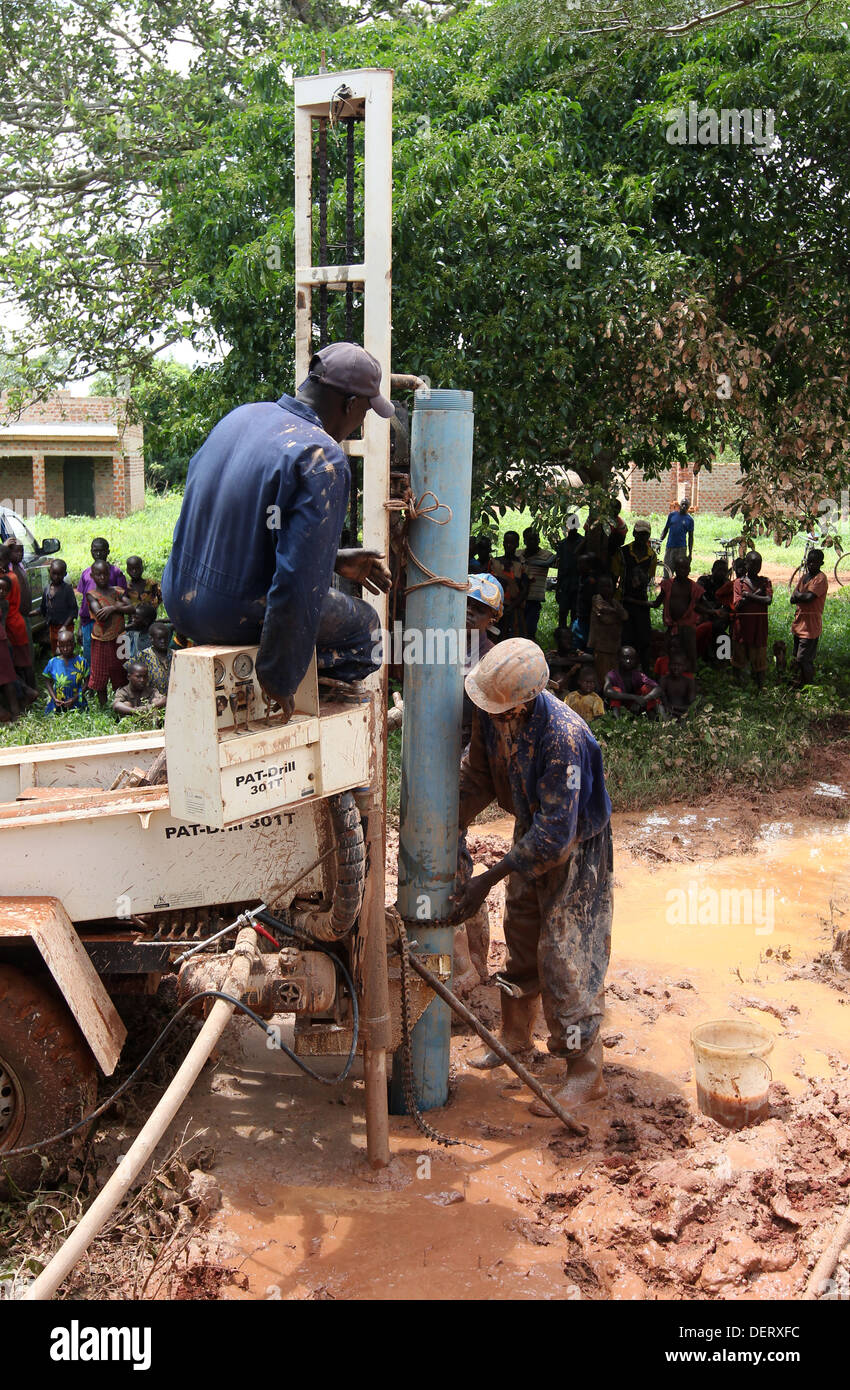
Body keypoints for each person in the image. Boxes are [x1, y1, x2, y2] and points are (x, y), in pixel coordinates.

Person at [162, 342, 393, 721]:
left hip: (179, 601)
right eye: (365, 412)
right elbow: (297, 582)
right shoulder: (322, 457)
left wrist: (330, 560)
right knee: (367, 633)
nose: (362, 424)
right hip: (229, 612)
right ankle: (287, 700)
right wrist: (279, 677)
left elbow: (237, 527)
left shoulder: (242, 417)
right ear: (350, 404)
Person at [450, 639, 613, 1109]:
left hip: (575, 844)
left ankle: (585, 1070)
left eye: (503, 714)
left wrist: (486, 879)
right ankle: (515, 1037)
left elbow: (555, 838)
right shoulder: (491, 710)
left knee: (566, 952)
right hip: (532, 829)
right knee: (520, 930)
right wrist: (446, 827)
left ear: (526, 703)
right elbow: (477, 777)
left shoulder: (564, 738)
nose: (493, 718)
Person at [87, 560, 134, 707]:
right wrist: (119, 607)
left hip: (121, 638)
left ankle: (120, 702)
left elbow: (132, 608)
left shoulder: (117, 591)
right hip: (101, 640)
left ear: (109, 574)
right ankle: (103, 705)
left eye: (105, 574)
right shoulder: (91, 595)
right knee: (100, 672)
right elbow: (100, 614)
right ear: (92, 576)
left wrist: (113, 608)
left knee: (121, 670)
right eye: (98, 574)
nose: (102, 577)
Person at [612, 520, 658, 668]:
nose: (641, 537)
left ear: (648, 536)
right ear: (634, 533)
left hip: (641, 602)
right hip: (624, 601)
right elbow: (614, 577)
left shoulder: (651, 556)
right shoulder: (623, 552)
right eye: (639, 534)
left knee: (644, 640)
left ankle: (644, 671)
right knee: (626, 638)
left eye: (645, 534)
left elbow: (649, 578)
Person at [76, 539, 127, 668]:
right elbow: (83, 602)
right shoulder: (86, 574)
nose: (98, 554)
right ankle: (91, 684)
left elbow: (123, 600)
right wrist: (80, 627)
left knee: (114, 659)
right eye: (95, 550)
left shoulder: (116, 573)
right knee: (90, 656)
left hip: (111, 623)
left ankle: (116, 686)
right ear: (91, 551)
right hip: (89, 623)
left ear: (108, 552)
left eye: (101, 550)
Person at [653, 557, 709, 672]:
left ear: (689, 569)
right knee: (667, 650)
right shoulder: (667, 585)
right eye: (679, 568)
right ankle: (664, 675)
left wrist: (713, 612)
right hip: (671, 625)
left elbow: (700, 605)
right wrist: (637, 602)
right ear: (675, 569)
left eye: (685, 568)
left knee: (690, 652)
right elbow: (656, 603)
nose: (682, 571)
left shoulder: (695, 588)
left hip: (688, 626)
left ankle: (690, 677)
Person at [731, 551, 773, 691]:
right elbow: (737, 605)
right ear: (746, 564)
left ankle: (760, 688)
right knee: (739, 658)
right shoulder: (739, 582)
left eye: (758, 564)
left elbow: (768, 600)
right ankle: (738, 688)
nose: (755, 567)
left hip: (759, 627)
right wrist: (756, 594)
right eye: (752, 563)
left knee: (759, 660)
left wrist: (749, 596)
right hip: (742, 627)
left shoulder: (765, 581)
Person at [0, 542, 36, 693]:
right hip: (17, 622)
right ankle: (30, 690)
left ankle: (30, 691)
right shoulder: (13, 575)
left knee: (20, 663)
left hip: (12, 625)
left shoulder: (6, 580)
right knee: (23, 661)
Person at [790, 547, 828, 687]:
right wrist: (800, 596)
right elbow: (793, 599)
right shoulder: (804, 577)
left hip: (810, 627)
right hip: (798, 623)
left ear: (821, 563)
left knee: (803, 659)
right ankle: (799, 684)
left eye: (815, 563)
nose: (811, 565)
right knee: (797, 657)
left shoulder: (820, 579)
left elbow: (809, 597)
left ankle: (809, 686)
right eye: (809, 562)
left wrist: (800, 596)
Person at [589, 574, 628, 687]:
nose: (606, 589)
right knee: (602, 676)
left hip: (614, 646)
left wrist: (614, 612)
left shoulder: (614, 602)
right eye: (603, 586)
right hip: (601, 646)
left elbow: (625, 616)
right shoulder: (597, 599)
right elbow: (605, 618)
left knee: (613, 675)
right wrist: (617, 614)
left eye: (609, 586)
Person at [517, 527, 556, 642]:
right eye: (529, 539)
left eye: (535, 539)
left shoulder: (546, 555)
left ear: (539, 540)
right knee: (517, 630)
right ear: (524, 541)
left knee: (530, 631)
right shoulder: (517, 554)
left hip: (534, 598)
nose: (533, 542)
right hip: (518, 599)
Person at [603, 645, 662, 717]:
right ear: (618, 659)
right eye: (625, 658)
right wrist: (634, 697)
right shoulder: (612, 675)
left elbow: (657, 688)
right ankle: (617, 722)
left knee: (647, 689)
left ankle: (654, 720)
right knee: (615, 690)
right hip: (618, 707)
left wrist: (644, 699)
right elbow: (607, 691)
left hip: (635, 707)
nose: (628, 661)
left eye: (631, 658)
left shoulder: (638, 675)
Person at [491, 531, 527, 640]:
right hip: (496, 608)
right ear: (503, 543)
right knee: (495, 637)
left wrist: (511, 607)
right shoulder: (494, 563)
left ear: (517, 544)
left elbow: (525, 590)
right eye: (506, 542)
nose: (508, 545)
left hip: (514, 608)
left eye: (512, 543)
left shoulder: (522, 565)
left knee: (513, 639)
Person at [44, 627, 89, 713]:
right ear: (58, 645)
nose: (65, 649)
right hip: (57, 704)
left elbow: (87, 683)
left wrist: (75, 698)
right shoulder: (53, 662)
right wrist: (54, 698)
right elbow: (47, 681)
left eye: (68, 645)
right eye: (62, 646)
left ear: (74, 645)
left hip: (77, 702)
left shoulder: (81, 662)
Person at [40, 558, 79, 653]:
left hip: (65, 628)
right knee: (55, 651)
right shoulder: (47, 589)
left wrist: (65, 626)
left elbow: (74, 610)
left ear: (64, 574)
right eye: (54, 573)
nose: (56, 577)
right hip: (52, 627)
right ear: (49, 572)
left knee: (65, 651)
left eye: (59, 574)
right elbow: (43, 608)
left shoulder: (67, 590)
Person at [0, 574, 23, 721]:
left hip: (1, 640)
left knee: (8, 678)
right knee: (7, 678)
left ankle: (14, 713)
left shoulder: (3, 604)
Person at [554, 517, 582, 629]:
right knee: (563, 613)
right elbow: (560, 567)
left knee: (575, 613)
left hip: (577, 583)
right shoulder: (562, 544)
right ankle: (562, 637)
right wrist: (558, 587)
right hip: (565, 583)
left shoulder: (582, 542)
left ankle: (573, 638)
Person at [660, 649, 696, 719]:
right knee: (660, 709)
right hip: (668, 712)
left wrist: (677, 708)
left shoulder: (689, 681)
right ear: (669, 665)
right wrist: (669, 708)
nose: (676, 668)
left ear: (684, 667)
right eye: (673, 664)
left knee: (694, 710)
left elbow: (692, 702)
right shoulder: (664, 680)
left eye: (679, 665)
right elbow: (663, 701)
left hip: (684, 711)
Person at [659, 498, 694, 570]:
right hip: (670, 547)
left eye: (686, 505)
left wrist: (690, 553)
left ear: (688, 507)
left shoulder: (690, 520)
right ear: (680, 505)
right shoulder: (672, 515)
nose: (684, 506)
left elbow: (690, 537)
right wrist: (659, 542)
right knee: (667, 570)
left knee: (680, 571)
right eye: (682, 504)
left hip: (681, 548)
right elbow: (665, 529)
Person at [141, 621, 174, 697]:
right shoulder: (143, 655)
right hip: (151, 698)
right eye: (159, 638)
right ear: (151, 639)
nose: (163, 641)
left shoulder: (175, 655)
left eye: (165, 638)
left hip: (173, 696)